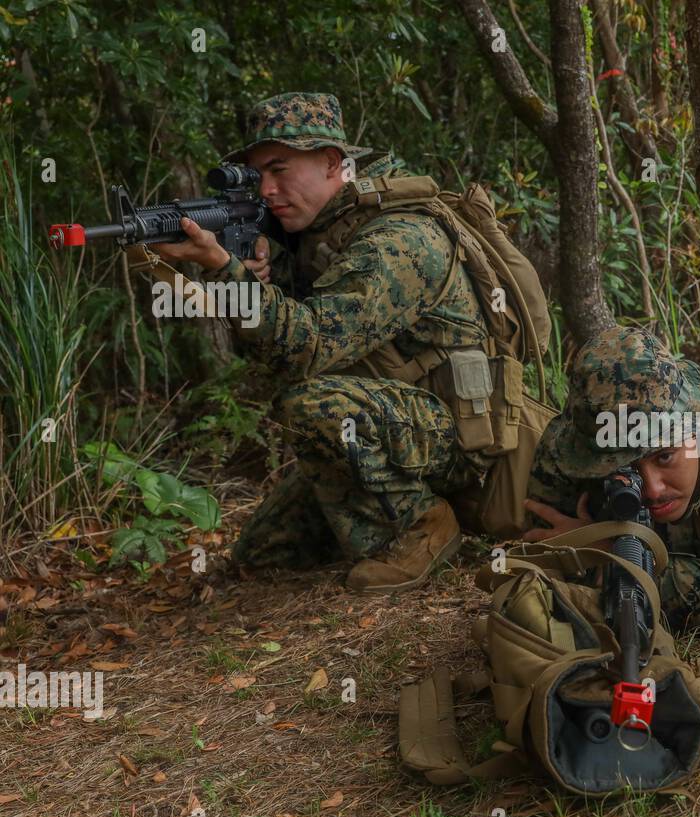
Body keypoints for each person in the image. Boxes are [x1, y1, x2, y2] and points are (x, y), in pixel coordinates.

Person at [155, 92, 496, 593]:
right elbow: (271, 357)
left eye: (280, 170)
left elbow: (311, 347)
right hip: (392, 424)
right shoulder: (321, 234)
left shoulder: (399, 238)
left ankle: (424, 525)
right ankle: (383, 507)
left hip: (456, 435)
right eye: (257, 176)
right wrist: (263, 277)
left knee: (312, 404)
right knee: (263, 555)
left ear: (333, 163)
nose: (267, 190)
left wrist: (227, 274)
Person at [524, 326, 700, 636]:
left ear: (696, 435)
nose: (652, 489)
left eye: (665, 456)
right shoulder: (565, 455)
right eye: (623, 467)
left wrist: (609, 557)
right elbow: (545, 569)